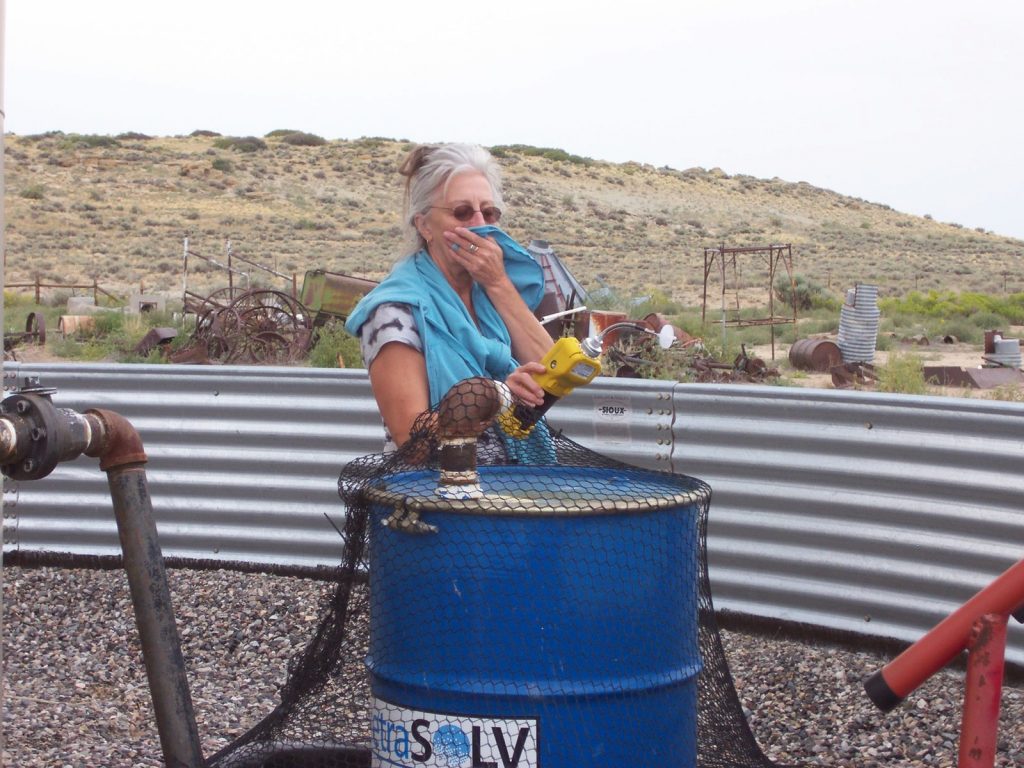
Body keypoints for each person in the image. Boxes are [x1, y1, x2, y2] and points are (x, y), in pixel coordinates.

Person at [345, 143, 554, 453]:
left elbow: (551, 373)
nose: (480, 225)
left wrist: (498, 283)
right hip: (437, 481)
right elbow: (411, 437)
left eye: (489, 213)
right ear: (424, 226)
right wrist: (498, 398)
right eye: (462, 212)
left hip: (509, 479)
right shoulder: (396, 310)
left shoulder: (489, 295)